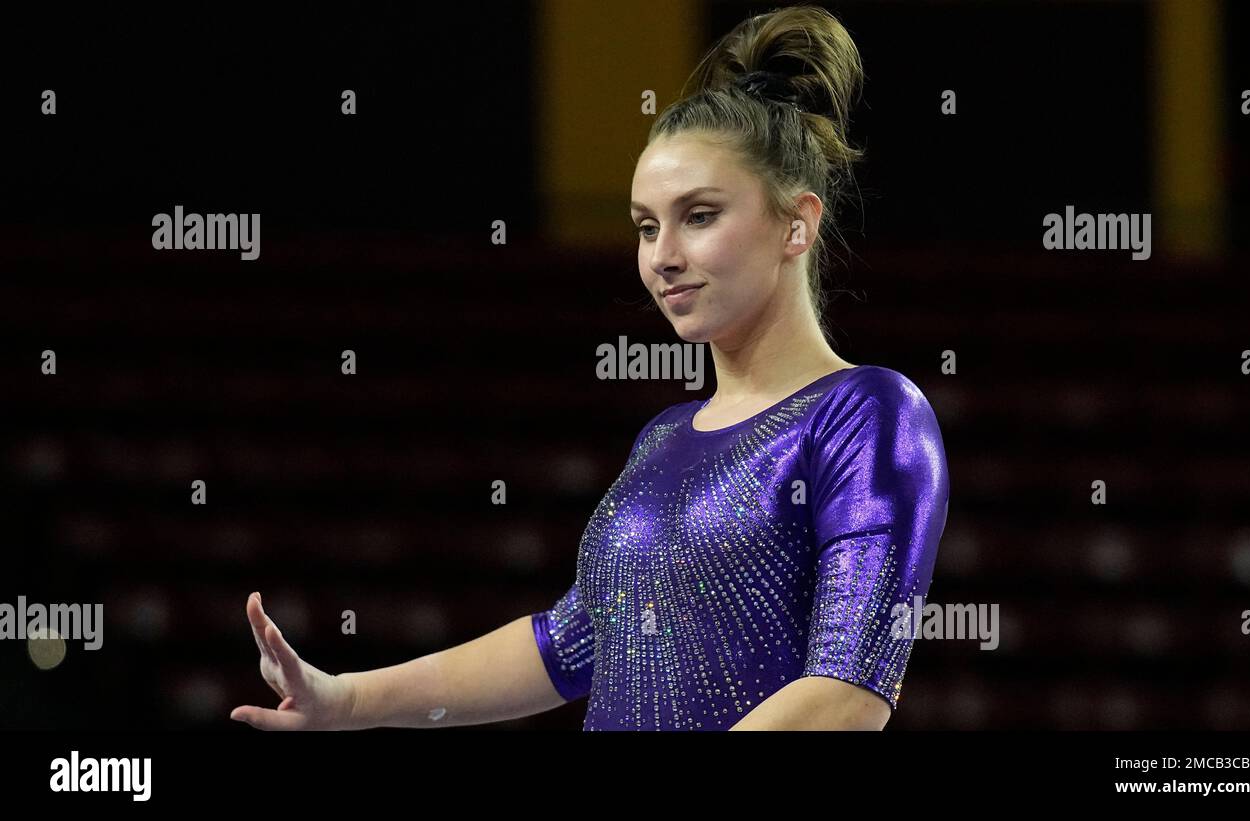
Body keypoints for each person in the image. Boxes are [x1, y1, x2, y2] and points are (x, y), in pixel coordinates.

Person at [230, 5, 948, 732]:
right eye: (645, 225)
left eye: (699, 215)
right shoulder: (663, 439)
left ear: (798, 222)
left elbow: (849, 691)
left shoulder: (867, 411)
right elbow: (567, 645)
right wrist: (347, 697)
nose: (662, 255)